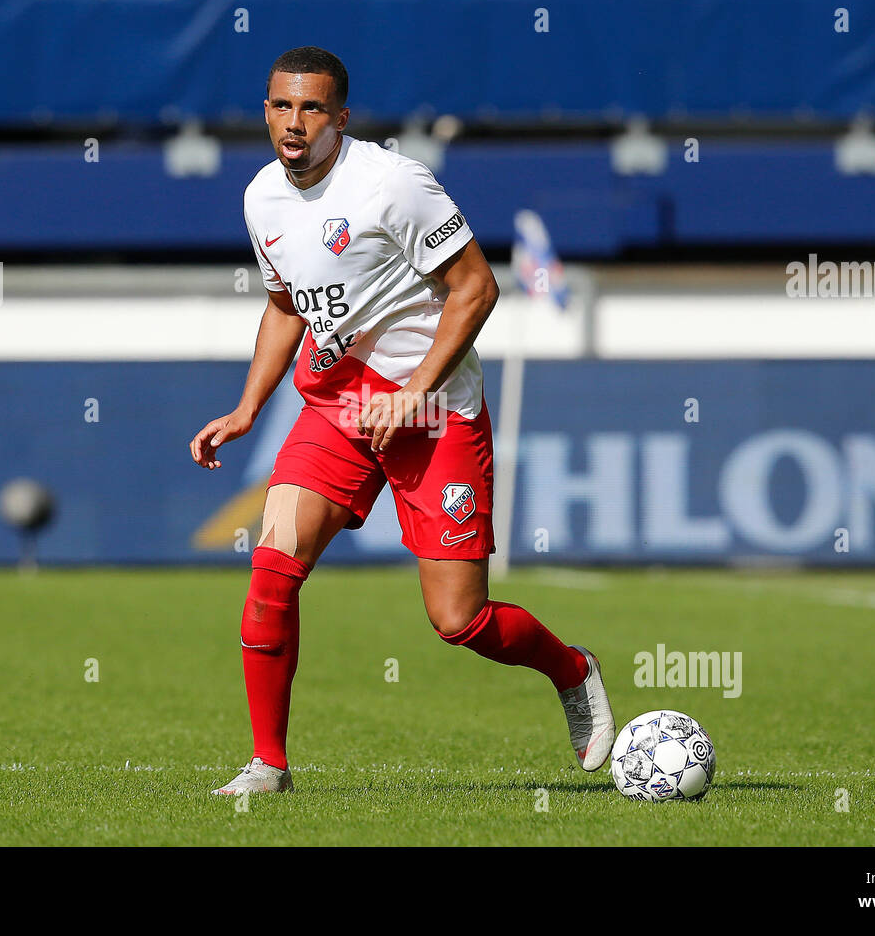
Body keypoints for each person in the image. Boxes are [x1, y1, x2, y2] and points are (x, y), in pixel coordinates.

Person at [190, 46, 614, 795]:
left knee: (460, 620)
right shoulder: (262, 198)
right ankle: (269, 765)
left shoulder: (392, 184)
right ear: (265, 111)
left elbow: (477, 288)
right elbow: (286, 306)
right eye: (282, 106)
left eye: (313, 108)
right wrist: (248, 406)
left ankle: (573, 670)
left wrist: (417, 388)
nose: (295, 124)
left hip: (435, 410)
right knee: (272, 570)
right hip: (339, 409)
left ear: (341, 117)